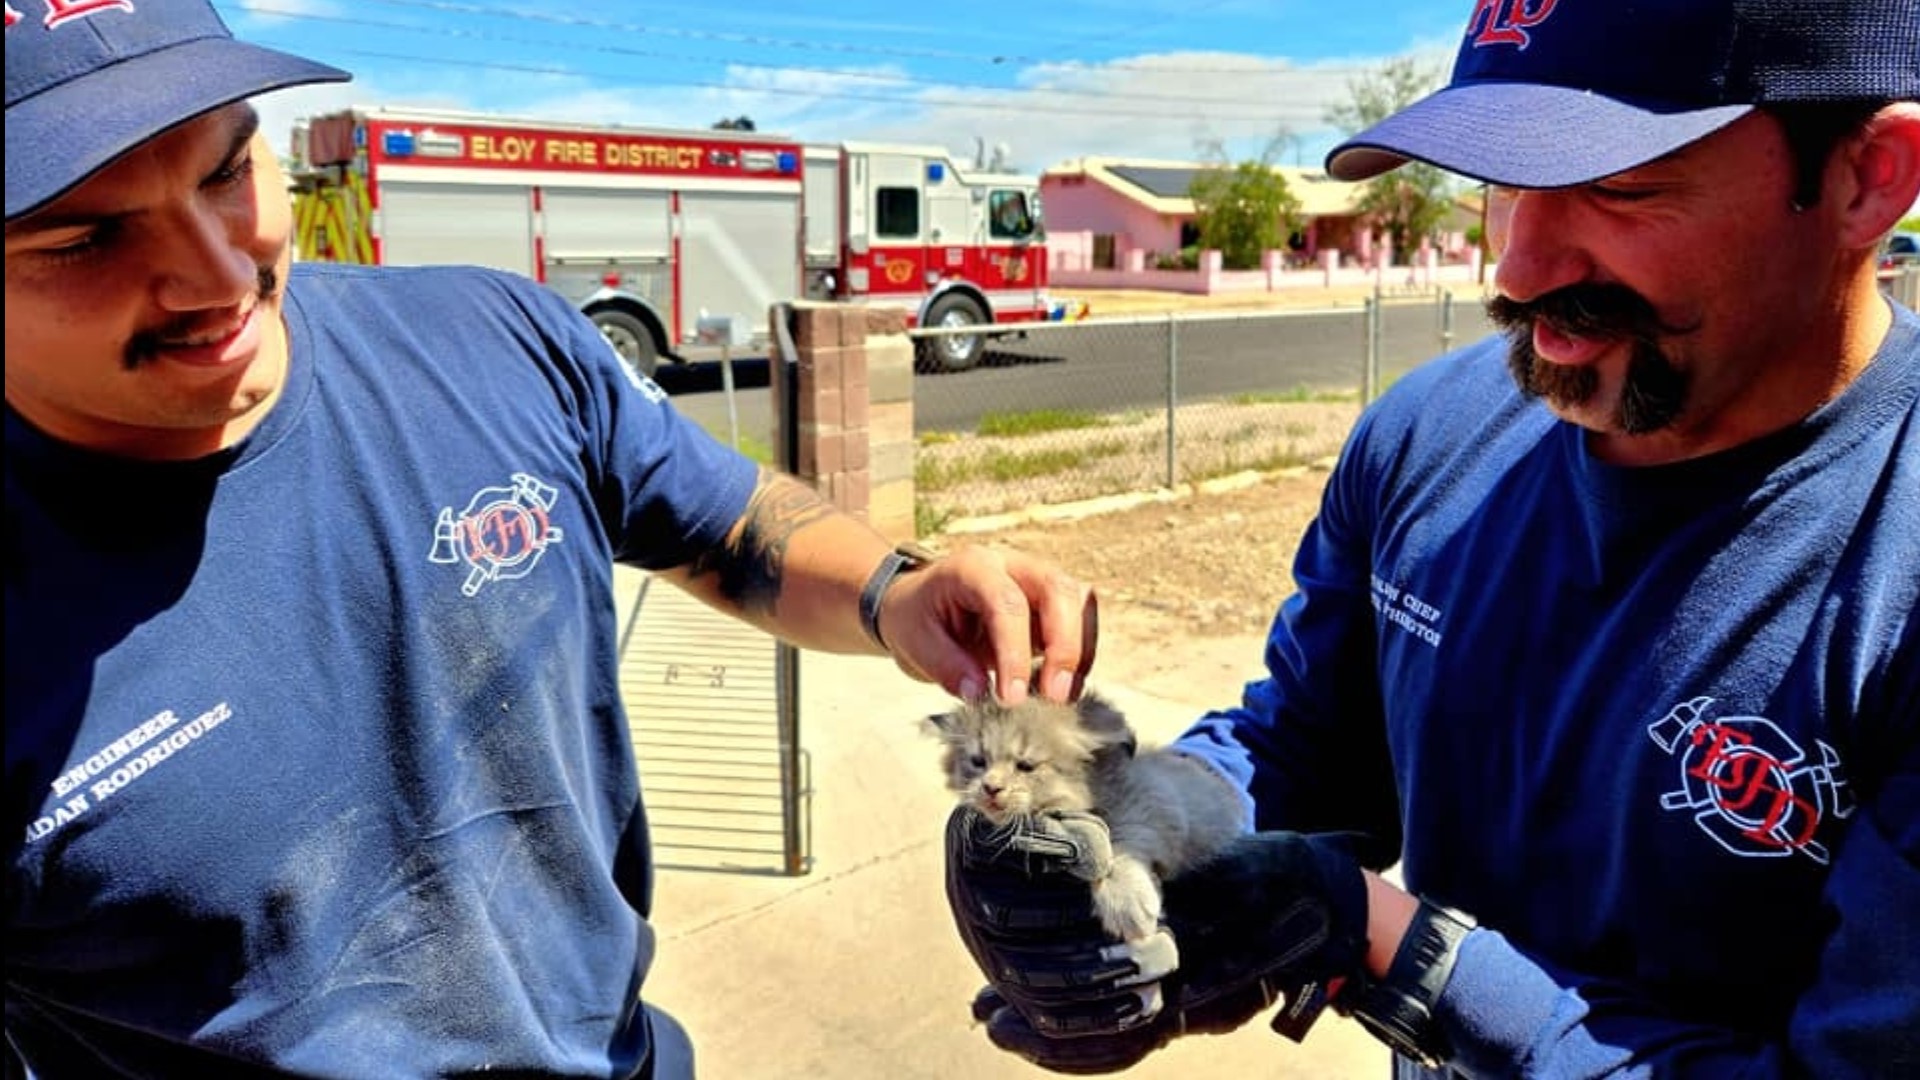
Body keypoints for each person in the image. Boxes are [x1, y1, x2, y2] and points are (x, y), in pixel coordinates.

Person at [3, 1, 1097, 1075]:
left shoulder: (493, 339)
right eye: (82, 237)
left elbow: (723, 521)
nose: (218, 274)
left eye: (227, 171)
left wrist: (897, 595)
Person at [946, 1, 1919, 1076]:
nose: (1519, 268)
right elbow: (1311, 748)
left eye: (1618, 186)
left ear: (1868, 179)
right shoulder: (1425, 433)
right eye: (1500, 184)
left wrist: (1393, 947)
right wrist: (1128, 830)